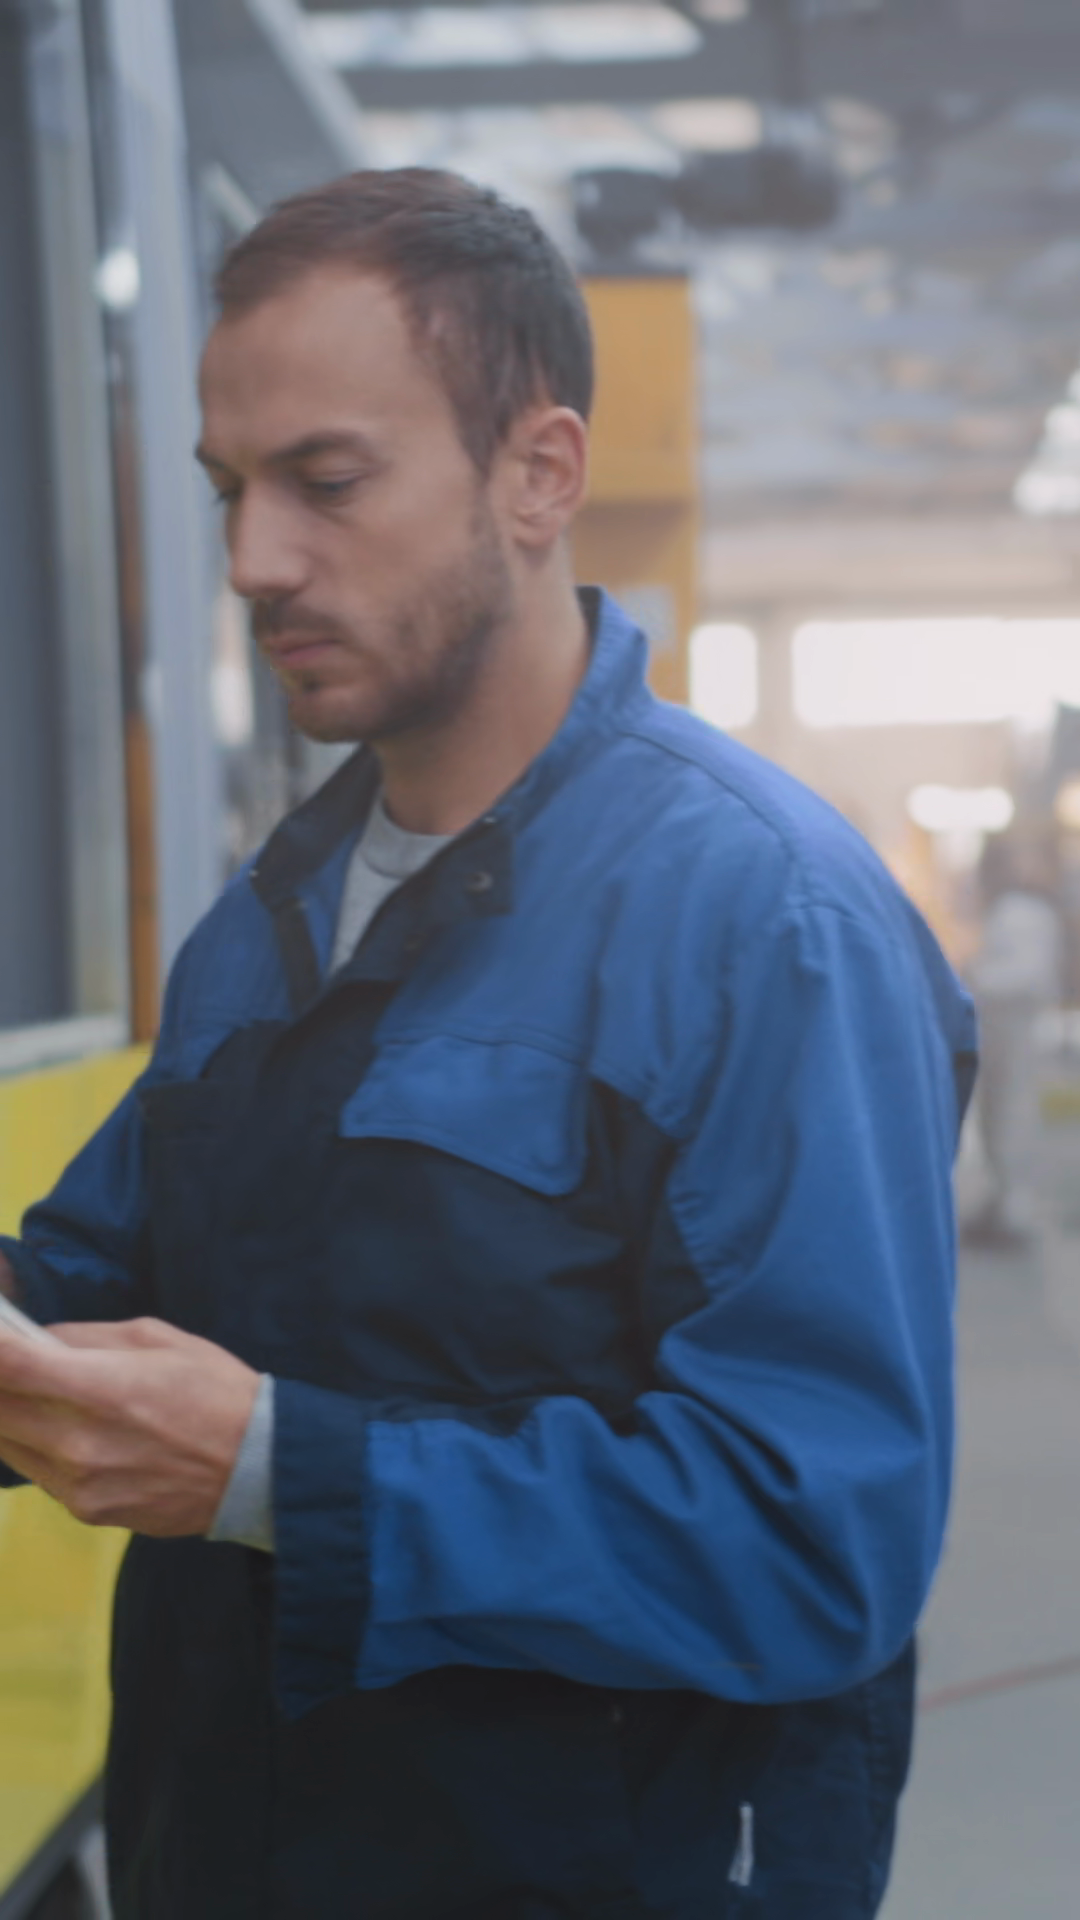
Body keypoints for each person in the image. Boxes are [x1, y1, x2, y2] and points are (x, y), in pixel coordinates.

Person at [0, 170, 974, 1919]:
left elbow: (814, 1543)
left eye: (327, 482)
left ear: (540, 474)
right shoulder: (274, 916)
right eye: (230, 490)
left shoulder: (764, 923)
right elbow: (91, 1279)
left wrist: (274, 1473)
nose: (253, 562)